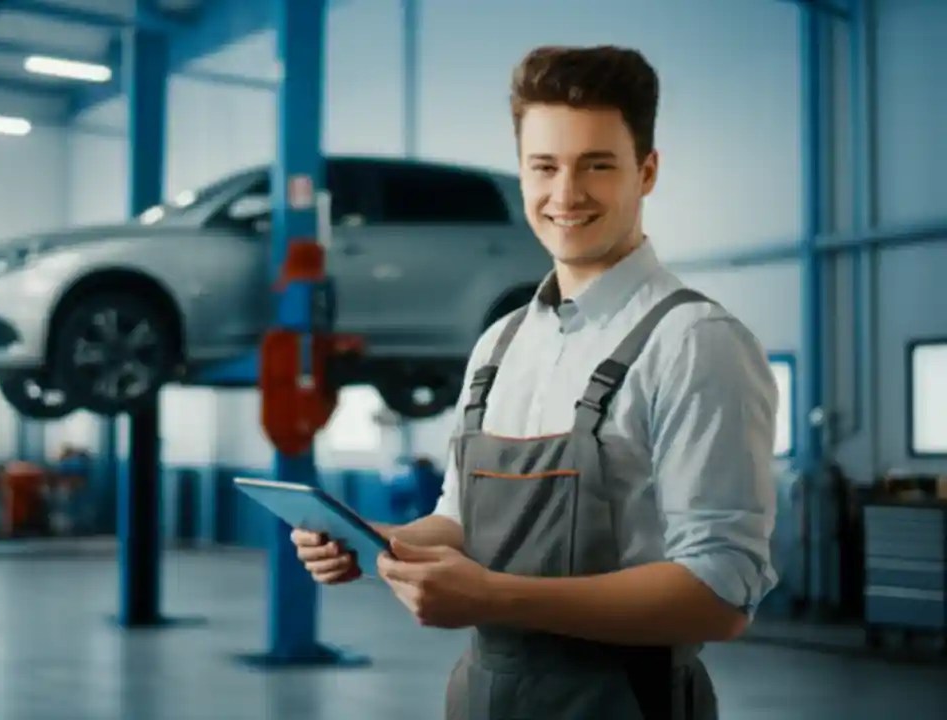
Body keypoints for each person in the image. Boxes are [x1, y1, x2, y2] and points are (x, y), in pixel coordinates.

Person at [291, 44, 778, 720]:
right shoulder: (500, 343)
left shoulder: (695, 344)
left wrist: (492, 597)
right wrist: (376, 538)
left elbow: (721, 595)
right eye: (543, 167)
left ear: (648, 171)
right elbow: (460, 521)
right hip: (483, 698)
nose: (565, 194)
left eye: (597, 166)